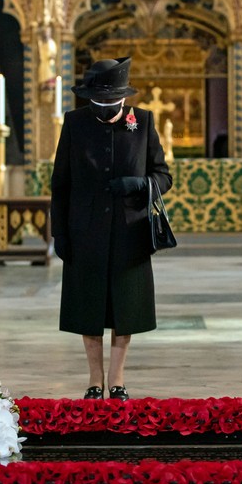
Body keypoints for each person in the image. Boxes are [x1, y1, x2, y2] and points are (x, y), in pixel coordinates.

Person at [50, 57, 172, 401]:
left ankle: (116, 380)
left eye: (111, 105)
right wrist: (59, 232)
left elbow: (164, 175)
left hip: (129, 232)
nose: (106, 111)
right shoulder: (74, 123)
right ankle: (93, 380)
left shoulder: (143, 122)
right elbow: (60, 183)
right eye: (99, 104)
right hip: (84, 231)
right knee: (88, 308)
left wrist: (140, 183)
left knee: (125, 308)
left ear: (122, 98)